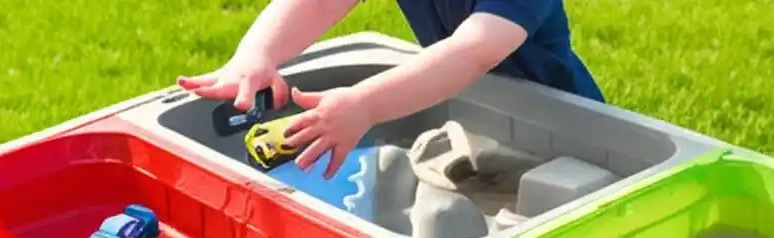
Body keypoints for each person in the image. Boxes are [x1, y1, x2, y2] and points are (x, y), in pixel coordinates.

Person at [179, 0, 603, 178]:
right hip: (473, 114)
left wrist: (363, 106)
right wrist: (257, 54)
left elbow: (475, 50)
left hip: (568, 130)